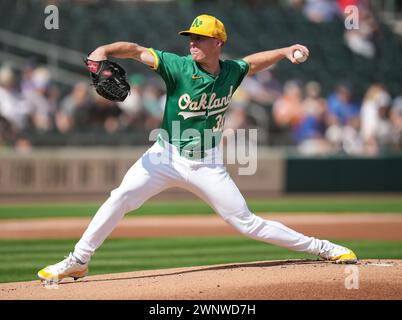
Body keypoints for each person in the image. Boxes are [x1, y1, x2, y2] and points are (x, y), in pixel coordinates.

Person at [38, 14, 357, 283]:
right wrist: (103, 50)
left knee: (246, 222)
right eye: (190, 37)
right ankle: (78, 259)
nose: (192, 42)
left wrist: (285, 50)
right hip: (164, 156)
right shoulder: (176, 66)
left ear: (218, 43)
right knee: (119, 197)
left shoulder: (230, 72)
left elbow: (252, 63)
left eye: (200, 38)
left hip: (207, 164)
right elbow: (135, 51)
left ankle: (324, 247)